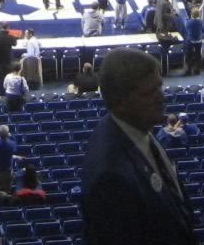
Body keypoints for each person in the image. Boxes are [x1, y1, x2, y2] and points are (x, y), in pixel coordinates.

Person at [79, 49, 195, 245]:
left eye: (160, 87)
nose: (162, 97)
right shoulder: (110, 177)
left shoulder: (139, 128)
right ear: (121, 101)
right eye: (150, 92)